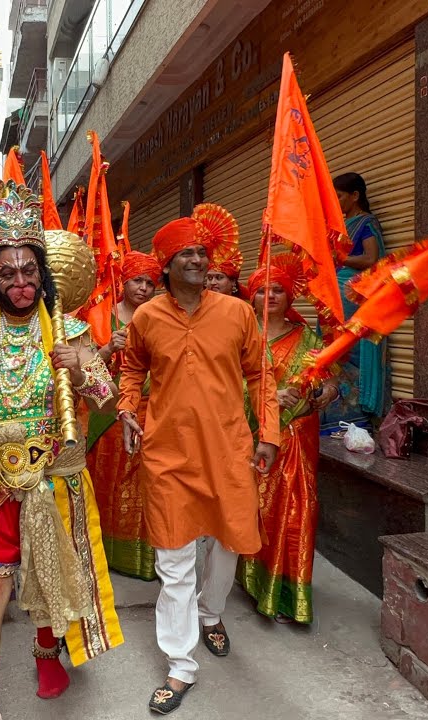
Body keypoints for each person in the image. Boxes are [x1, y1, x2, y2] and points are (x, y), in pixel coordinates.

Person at [0, 181, 123, 719]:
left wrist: (80, 370)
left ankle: (47, 655)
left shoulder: (69, 329)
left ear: (42, 272)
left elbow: (107, 398)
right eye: (7, 273)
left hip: (54, 478)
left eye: (29, 271)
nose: (20, 282)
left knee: (49, 580)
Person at [117, 203, 279, 714]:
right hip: (167, 453)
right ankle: (180, 664)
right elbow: (131, 369)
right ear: (166, 264)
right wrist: (126, 409)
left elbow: (260, 375)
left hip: (229, 449)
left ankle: (211, 613)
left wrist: (269, 433)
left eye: (202, 253)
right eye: (186, 253)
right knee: (174, 559)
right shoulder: (147, 317)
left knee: (228, 544)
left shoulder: (237, 313)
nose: (198, 260)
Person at [237, 255, 339, 625]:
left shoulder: (307, 337)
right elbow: (224, 385)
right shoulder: (242, 335)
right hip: (255, 435)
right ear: (251, 296)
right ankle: (254, 583)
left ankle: (290, 594)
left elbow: (329, 377)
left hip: (298, 436)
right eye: (261, 290)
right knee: (258, 510)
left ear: (289, 296)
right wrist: (267, 397)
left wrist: (328, 390)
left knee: (298, 512)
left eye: (277, 290)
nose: (269, 296)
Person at [87, 250, 162, 580]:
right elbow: (82, 371)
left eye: (150, 283)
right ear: (123, 281)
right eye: (137, 281)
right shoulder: (99, 316)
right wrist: (107, 349)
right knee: (107, 480)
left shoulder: (161, 317)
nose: (143, 288)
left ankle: (140, 558)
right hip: (107, 416)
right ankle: (101, 551)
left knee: (145, 486)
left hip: (151, 413)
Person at [330, 172, 390, 421]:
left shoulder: (366, 223)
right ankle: (334, 405)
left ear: (355, 196)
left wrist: (341, 259)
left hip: (353, 294)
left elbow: (371, 258)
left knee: (352, 347)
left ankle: (359, 407)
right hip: (336, 294)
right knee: (333, 344)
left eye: (339, 196)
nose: (336, 202)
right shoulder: (340, 226)